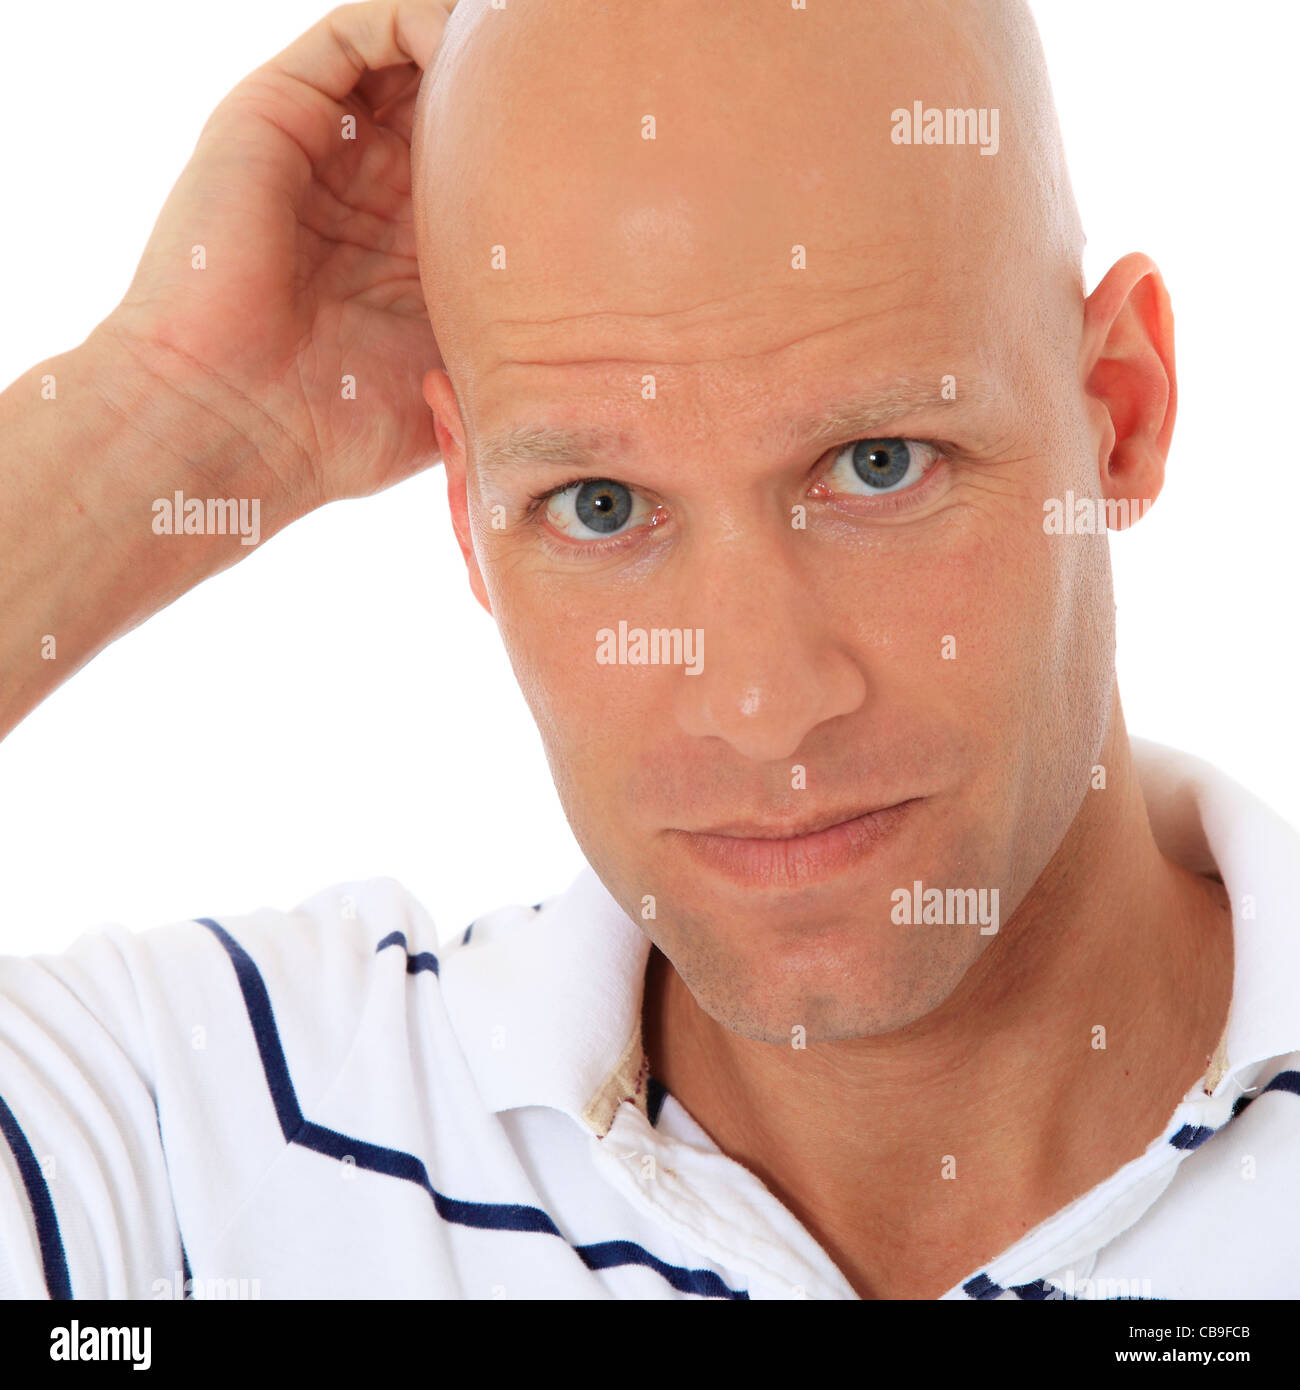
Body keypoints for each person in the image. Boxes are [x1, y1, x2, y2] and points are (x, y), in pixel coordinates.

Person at [0, 0, 1295, 1302]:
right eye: (601, 504)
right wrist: (165, 412)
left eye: (877, 465)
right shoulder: (218, 1149)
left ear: (1118, 415)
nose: (761, 706)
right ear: (466, 514)